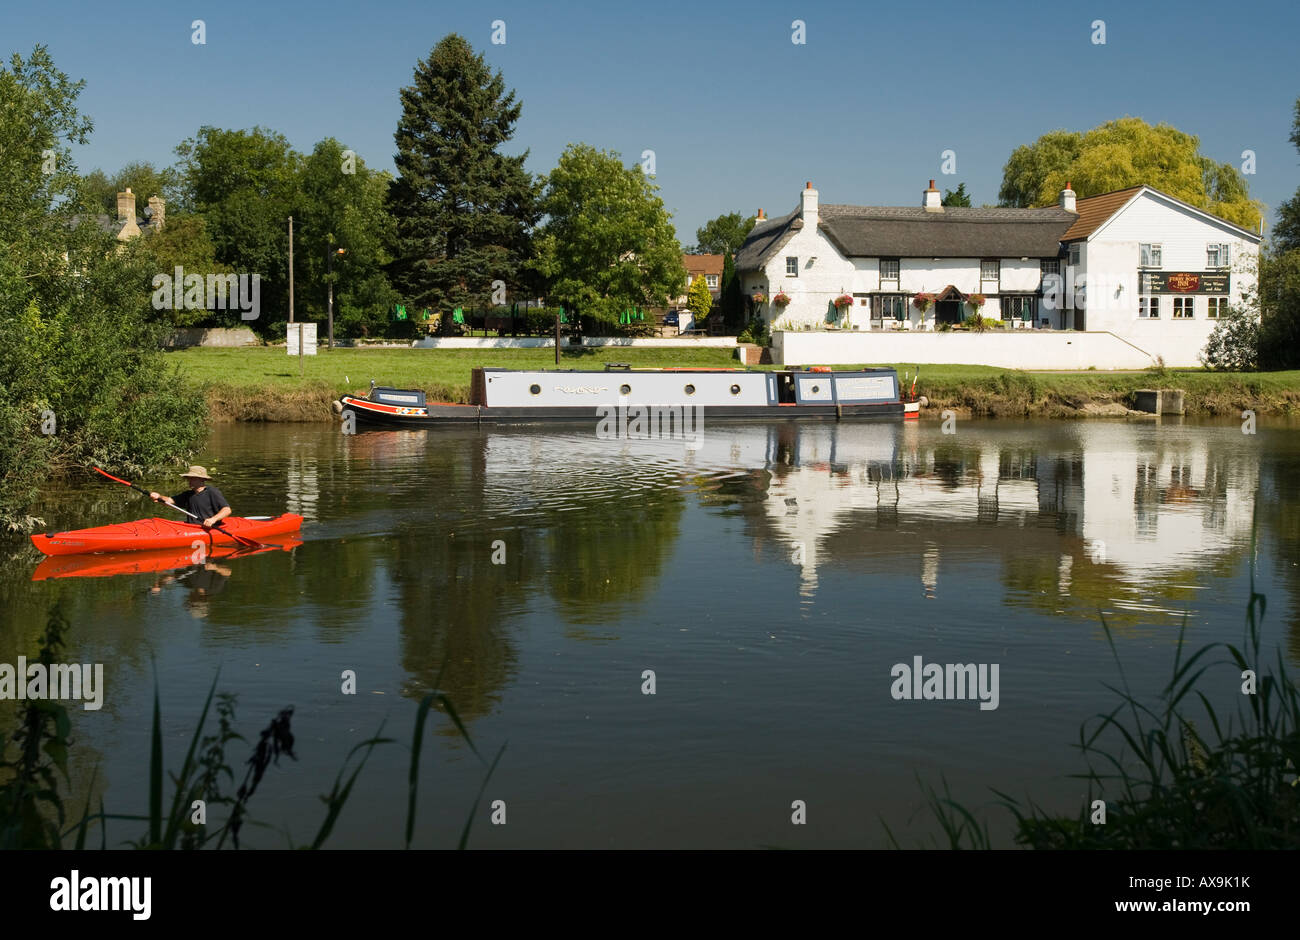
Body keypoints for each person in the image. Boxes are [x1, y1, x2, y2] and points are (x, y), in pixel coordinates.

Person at [149, 465, 232, 528]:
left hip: (209, 528)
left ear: (202, 479)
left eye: (192, 478)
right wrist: (159, 496)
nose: (189, 480)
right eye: (189, 478)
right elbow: (170, 501)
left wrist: (213, 519)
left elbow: (227, 510)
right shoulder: (188, 494)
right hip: (192, 528)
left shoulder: (212, 492)